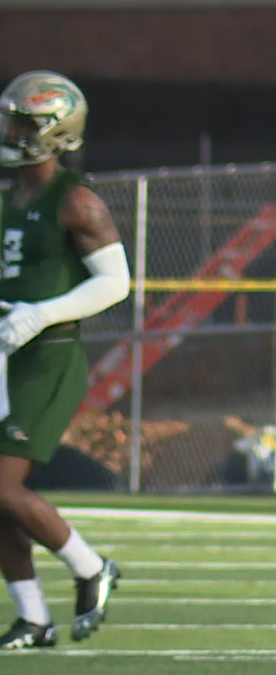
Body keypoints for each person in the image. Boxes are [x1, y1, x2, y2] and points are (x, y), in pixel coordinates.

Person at [0, 71, 126, 650]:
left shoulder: (75, 199)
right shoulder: (8, 193)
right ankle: (32, 616)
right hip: (7, 354)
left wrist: (42, 312)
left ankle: (89, 566)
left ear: (54, 132)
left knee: (3, 488)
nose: (10, 130)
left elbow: (115, 283)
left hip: (45, 358)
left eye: (23, 122)